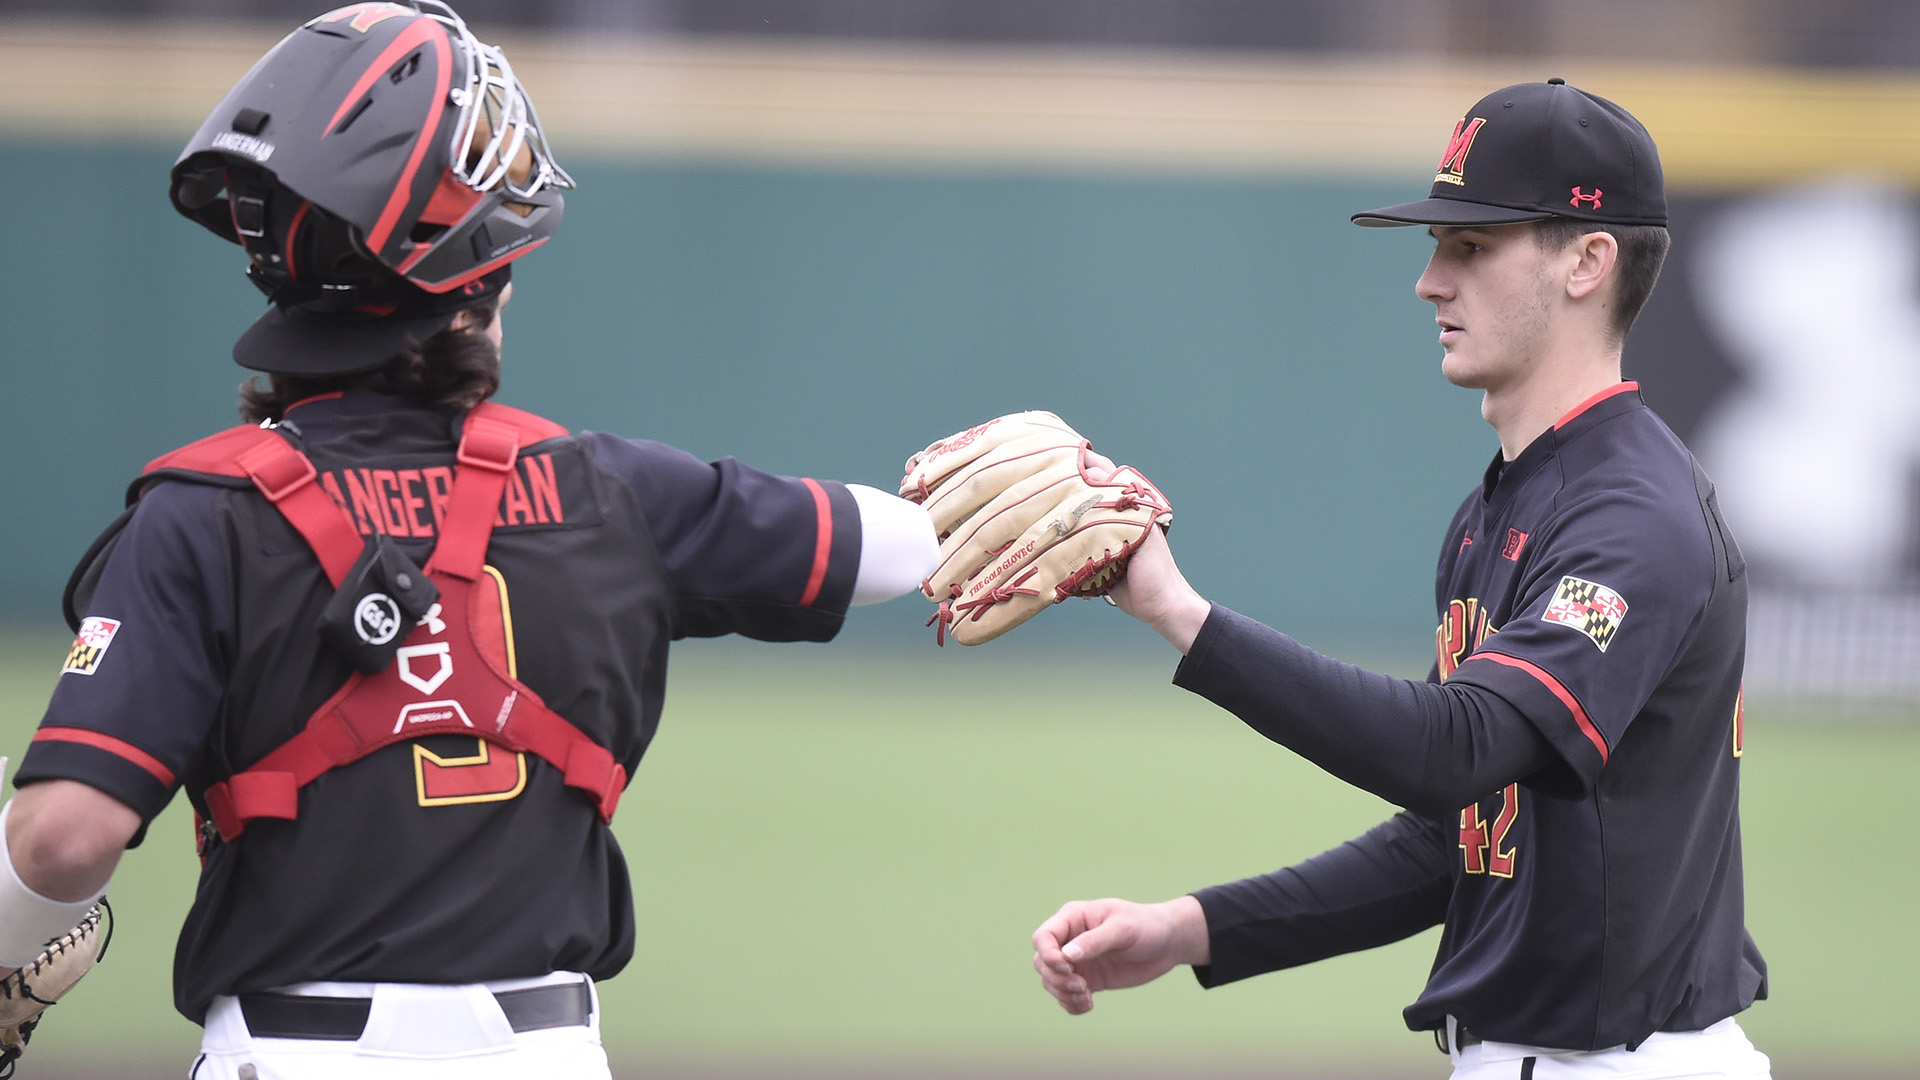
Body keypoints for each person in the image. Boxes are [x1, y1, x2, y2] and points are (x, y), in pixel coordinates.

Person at [0, 4, 937, 1078]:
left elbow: (65, 839)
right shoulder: (613, 493)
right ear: (479, 280)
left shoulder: (203, 513)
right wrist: (1011, 491)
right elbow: (897, 551)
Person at [1031, 79, 1772, 1079]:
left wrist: (1179, 613)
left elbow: (1451, 753)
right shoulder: (1503, 508)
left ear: (1588, 261)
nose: (1430, 279)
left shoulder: (1633, 517)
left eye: (1472, 247)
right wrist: (1191, 928)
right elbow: (1450, 841)